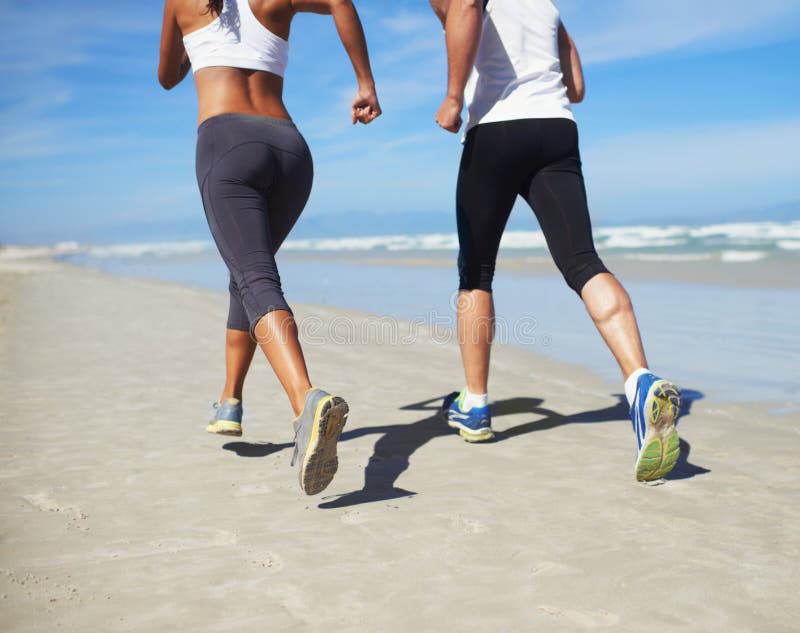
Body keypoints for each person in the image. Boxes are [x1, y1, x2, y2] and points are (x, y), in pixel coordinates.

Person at [430, 0, 681, 482]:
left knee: (476, 271)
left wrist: (454, 96)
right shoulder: (546, 5)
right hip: (556, 128)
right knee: (582, 261)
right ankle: (639, 381)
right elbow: (578, 88)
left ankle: (476, 406)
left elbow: (460, 5)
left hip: (497, 131)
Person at [158, 0, 381, 495]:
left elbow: (167, 76)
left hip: (226, 143)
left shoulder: (183, 3)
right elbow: (341, 2)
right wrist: (364, 82)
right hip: (290, 149)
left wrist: (199, 43)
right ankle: (230, 401)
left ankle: (306, 403)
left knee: (256, 278)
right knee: (250, 274)